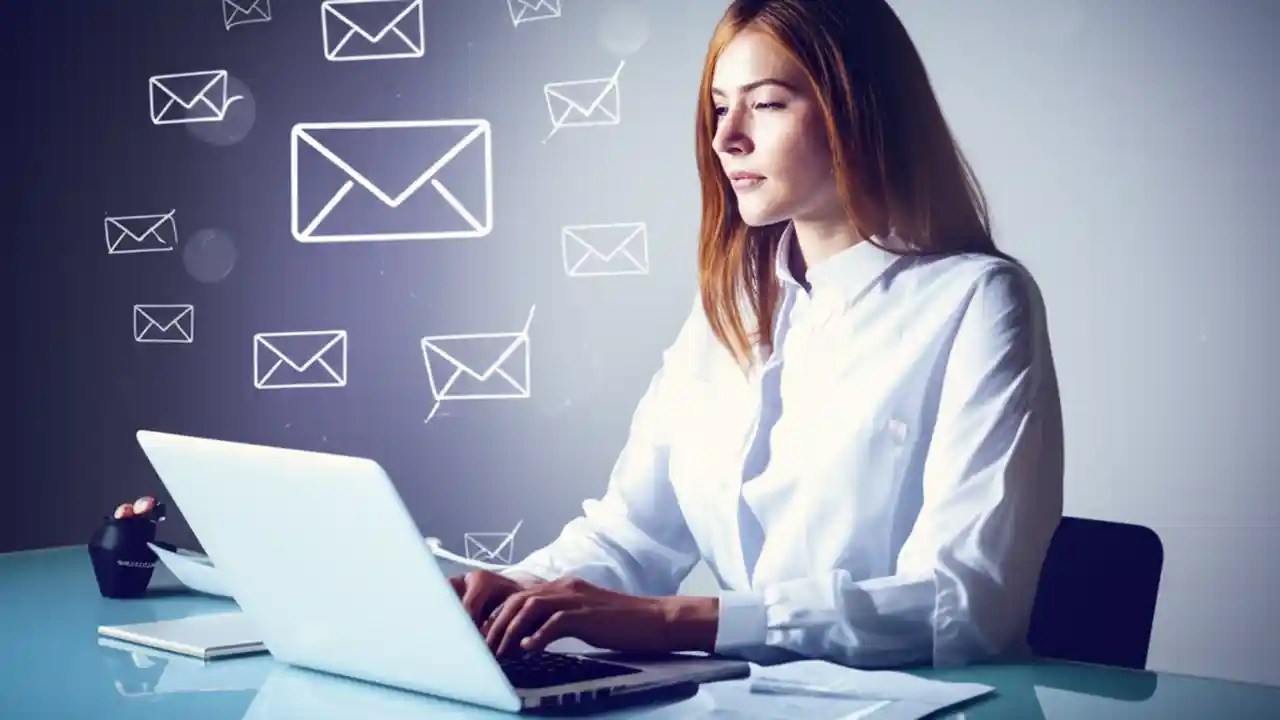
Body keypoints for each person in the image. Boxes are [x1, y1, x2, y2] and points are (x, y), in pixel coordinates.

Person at [450, 0, 1064, 668]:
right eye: (719, 107)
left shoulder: (977, 300)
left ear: (861, 109)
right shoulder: (730, 307)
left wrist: (680, 621)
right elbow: (630, 537)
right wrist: (514, 592)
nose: (725, 138)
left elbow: (963, 603)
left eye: (767, 104)